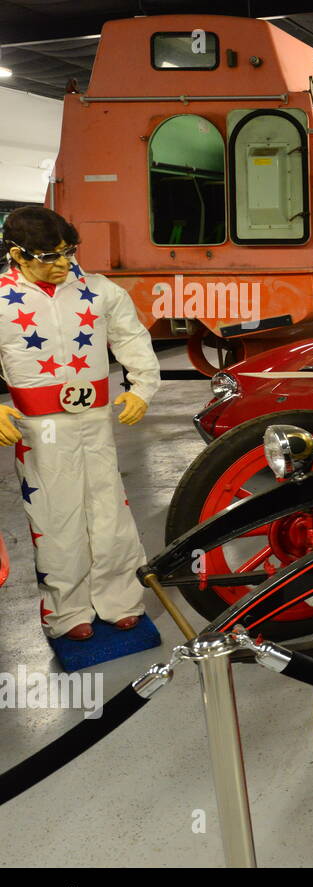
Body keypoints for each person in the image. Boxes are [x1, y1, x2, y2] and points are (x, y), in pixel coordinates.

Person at [0, 207, 160, 641]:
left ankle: (121, 598)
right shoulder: (0, 299)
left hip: (95, 421)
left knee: (110, 510)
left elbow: (130, 337)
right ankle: (67, 610)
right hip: (40, 429)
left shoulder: (98, 291)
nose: (63, 264)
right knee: (55, 514)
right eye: (49, 256)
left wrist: (141, 387)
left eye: (68, 252)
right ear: (17, 253)